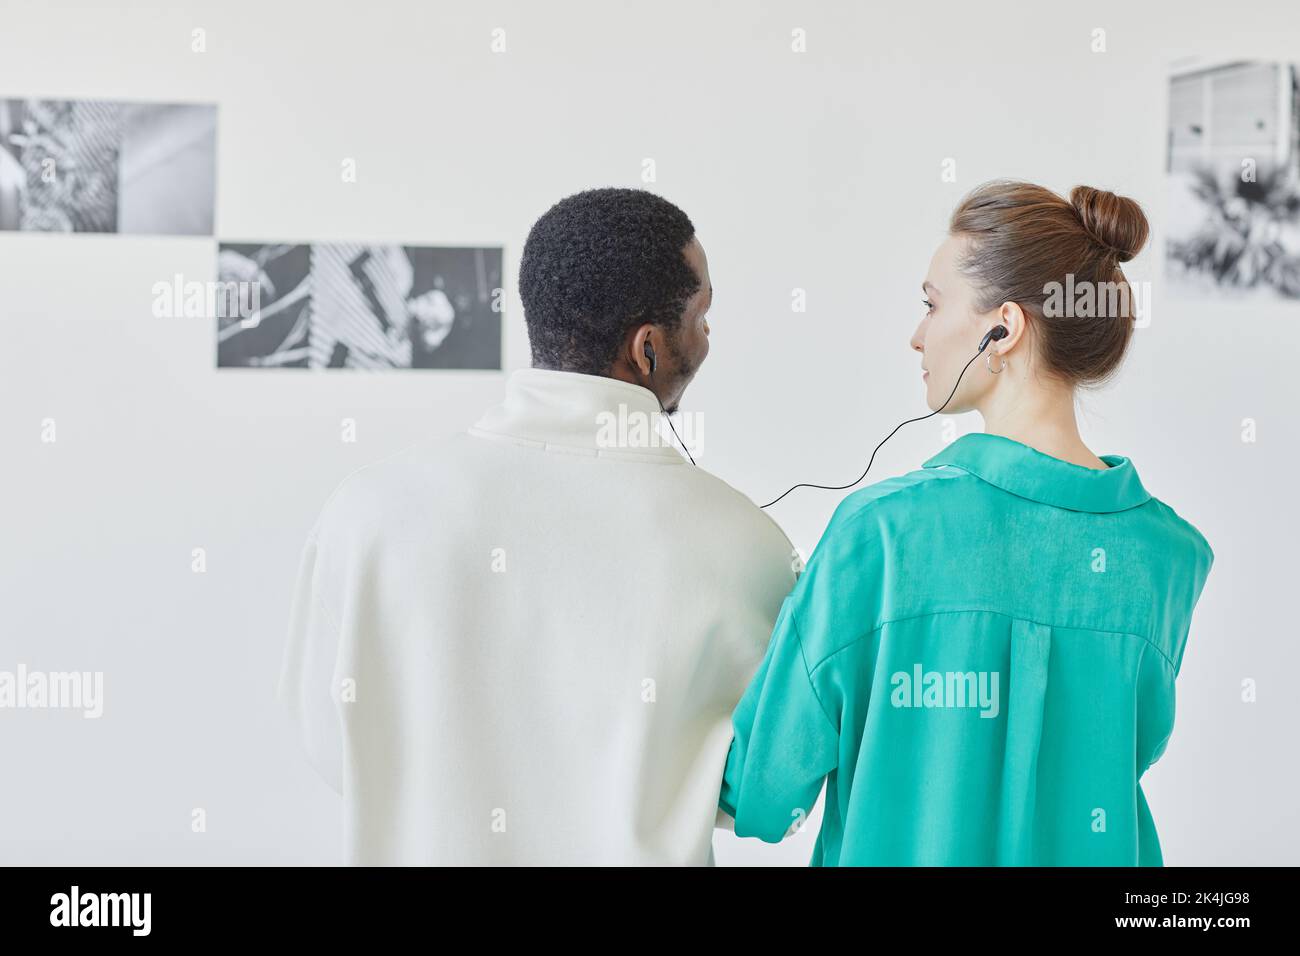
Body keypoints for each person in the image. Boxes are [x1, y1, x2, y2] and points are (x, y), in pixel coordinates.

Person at [278, 187, 797, 864]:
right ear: (647, 349)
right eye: (701, 318)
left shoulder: (369, 511)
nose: (706, 338)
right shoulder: (747, 545)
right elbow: (756, 786)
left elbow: (332, 742)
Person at [719, 181, 1214, 866]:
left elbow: (762, 790)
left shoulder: (881, 535)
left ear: (1003, 329)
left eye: (931, 304)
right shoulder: (1170, 555)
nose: (916, 334)